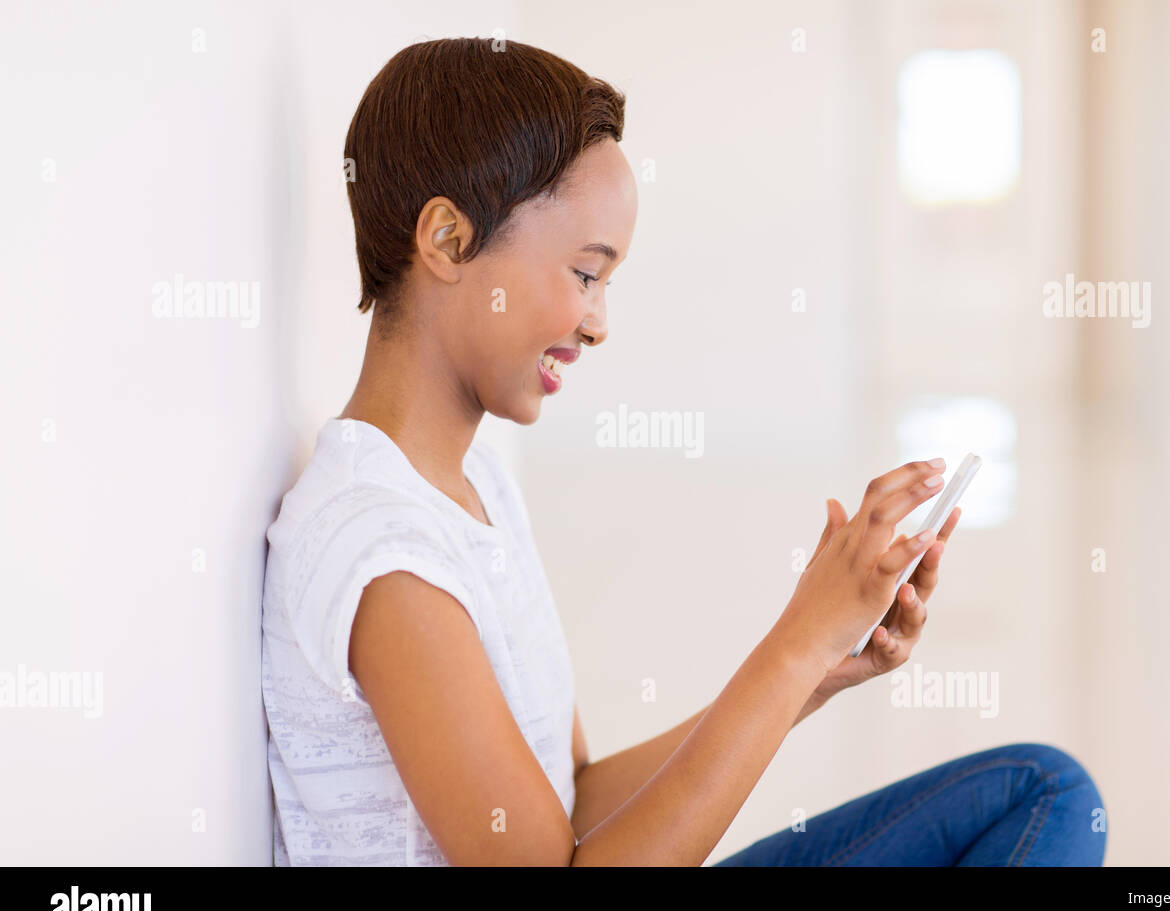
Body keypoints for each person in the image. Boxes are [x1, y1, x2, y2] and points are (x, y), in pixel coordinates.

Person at [260, 36, 1106, 866]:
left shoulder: (468, 482)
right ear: (447, 241)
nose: (598, 324)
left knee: (1037, 791)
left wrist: (815, 670)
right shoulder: (386, 558)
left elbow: (575, 798)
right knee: (1050, 802)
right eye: (586, 275)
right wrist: (795, 647)